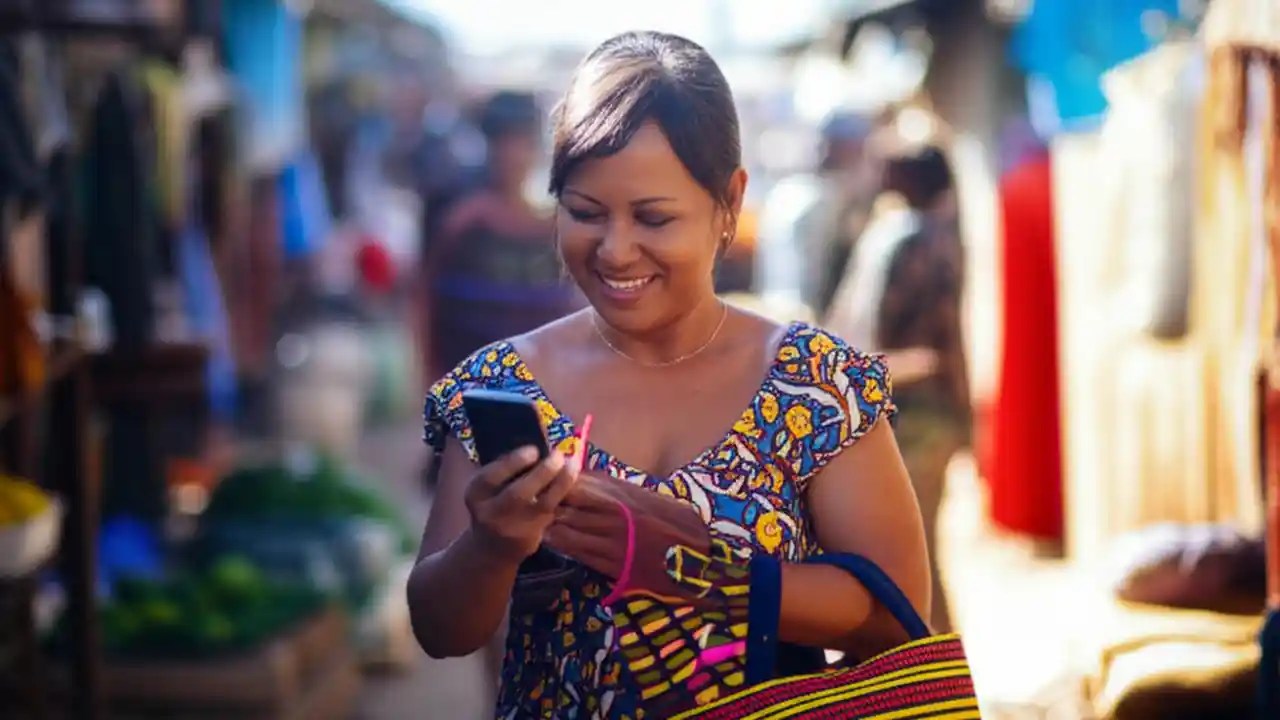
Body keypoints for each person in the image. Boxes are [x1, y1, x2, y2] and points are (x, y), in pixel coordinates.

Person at [408, 31, 930, 720]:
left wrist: (697, 568)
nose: (616, 250)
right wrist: (492, 545)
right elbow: (441, 630)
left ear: (729, 204)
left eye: (654, 217)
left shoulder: (814, 385)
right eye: (585, 212)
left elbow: (899, 616)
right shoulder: (503, 384)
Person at [825, 125, 970, 633]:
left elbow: (906, 345)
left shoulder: (908, 238)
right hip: (915, 414)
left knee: (913, 564)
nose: (879, 172)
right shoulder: (913, 233)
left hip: (914, 419)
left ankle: (935, 679)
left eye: (892, 165)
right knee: (911, 560)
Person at [420, 90, 583, 384]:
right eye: (504, 142)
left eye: (523, 142)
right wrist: (427, 379)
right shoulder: (460, 219)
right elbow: (423, 297)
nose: (513, 154)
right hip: (469, 383)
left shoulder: (559, 222)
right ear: (489, 145)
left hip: (542, 384)